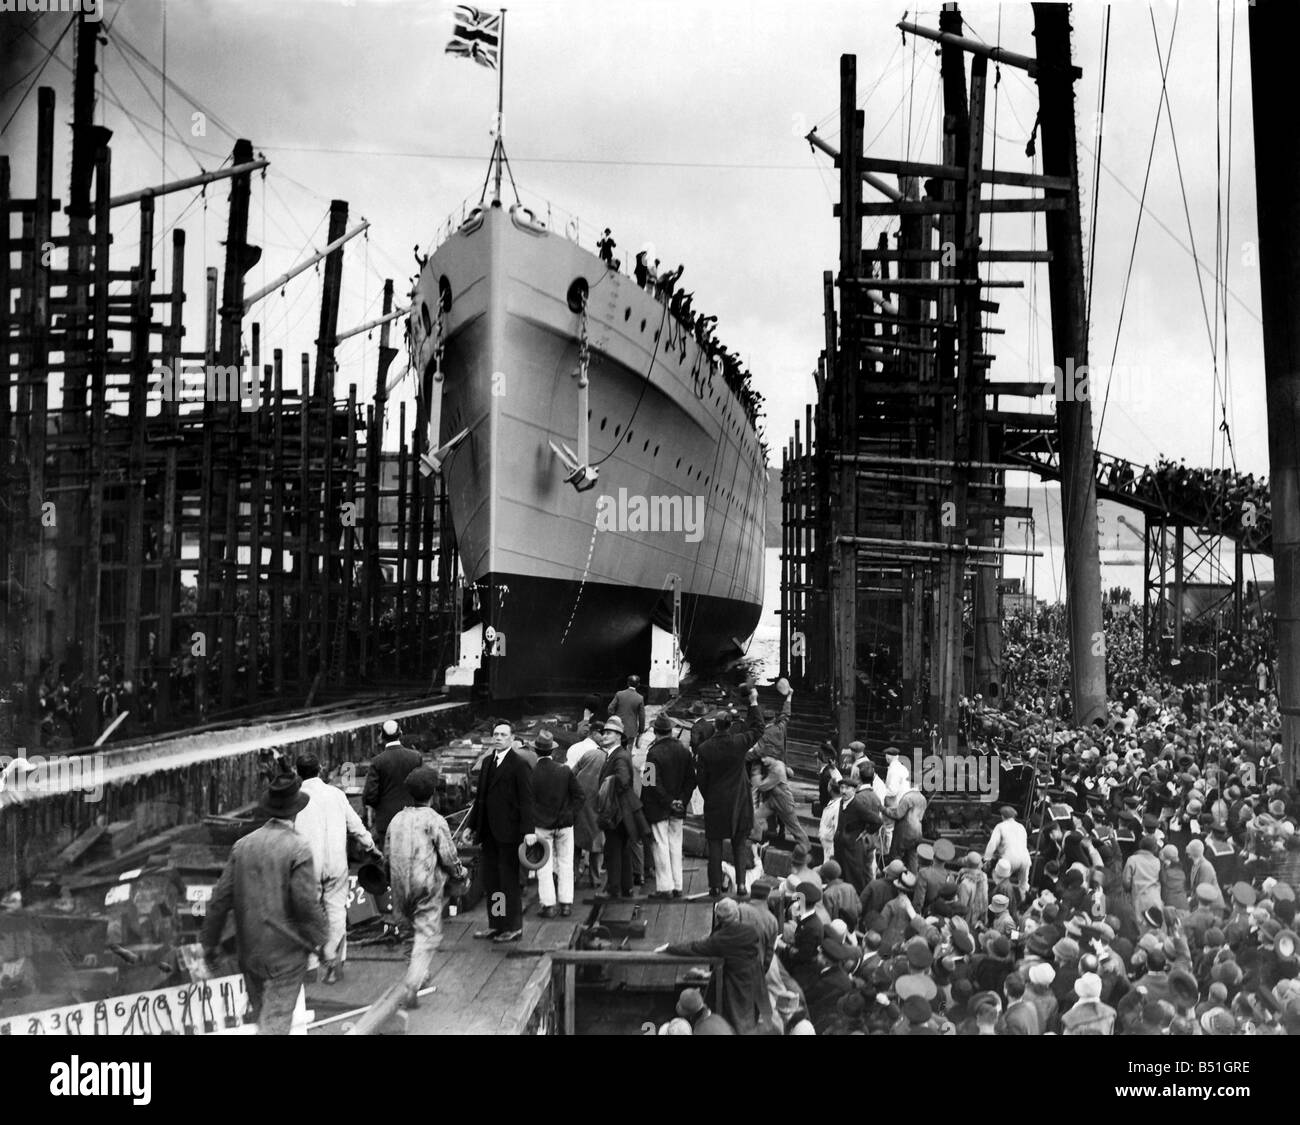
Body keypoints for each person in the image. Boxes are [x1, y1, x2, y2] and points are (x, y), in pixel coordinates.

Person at [202, 774, 328, 1034]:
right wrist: (322, 940)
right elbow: (305, 904)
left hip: (250, 954)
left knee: (264, 1018)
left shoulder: (242, 846)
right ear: (296, 812)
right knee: (275, 1023)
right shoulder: (298, 848)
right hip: (286, 955)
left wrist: (209, 944)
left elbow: (219, 901)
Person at [292, 753, 381, 984]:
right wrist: (370, 846)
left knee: (308, 915)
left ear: (297, 772)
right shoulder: (336, 794)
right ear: (321, 769)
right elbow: (356, 825)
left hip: (307, 865)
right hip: (336, 864)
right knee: (337, 913)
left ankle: (310, 968)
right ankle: (334, 965)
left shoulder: (295, 798)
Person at [385, 765, 468, 1009]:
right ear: (433, 794)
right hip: (426, 885)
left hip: (399, 884)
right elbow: (448, 855)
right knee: (426, 934)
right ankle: (411, 985)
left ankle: (419, 974)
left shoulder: (397, 818)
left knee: (409, 931)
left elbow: (387, 854)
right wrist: (460, 873)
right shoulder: (435, 820)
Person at [465, 720, 537, 943]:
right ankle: (495, 924)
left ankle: (513, 926)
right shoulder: (487, 762)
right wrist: (471, 825)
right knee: (492, 881)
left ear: (512, 739)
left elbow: (527, 800)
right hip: (488, 833)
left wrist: (529, 830)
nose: (498, 738)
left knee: (509, 882)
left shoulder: (519, 764)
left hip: (510, 834)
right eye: (495, 734)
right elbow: (481, 799)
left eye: (503, 735)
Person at [660, 896, 767, 1034]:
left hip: (734, 984)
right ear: (737, 915)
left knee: (735, 1018)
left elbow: (694, 948)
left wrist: (669, 947)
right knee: (748, 1016)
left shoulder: (720, 940)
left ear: (719, 918)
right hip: (753, 980)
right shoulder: (751, 931)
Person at [695, 687, 765, 896]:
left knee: (714, 845)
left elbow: (701, 780)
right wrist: (753, 703)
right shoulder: (739, 743)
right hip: (739, 800)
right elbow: (759, 728)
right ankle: (742, 884)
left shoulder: (704, 749)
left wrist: (710, 796)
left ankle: (715, 886)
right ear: (730, 725)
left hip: (716, 800)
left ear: (715, 725)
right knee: (739, 843)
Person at [530, 729, 585, 918]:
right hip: (564, 825)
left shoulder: (531, 773)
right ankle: (566, 904)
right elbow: (580, 796)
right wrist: (570, 815)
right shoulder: (564, 770)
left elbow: (526, 802)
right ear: (552, 751)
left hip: (541, 826)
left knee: (543, 866)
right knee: (566, 863)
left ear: (536, 751)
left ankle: (548, 905)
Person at [643, 713, 696, 898]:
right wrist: (681, 799)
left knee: (661, 844)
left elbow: (649, 782)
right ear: (671, 731)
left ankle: (664, 887)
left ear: (656, 732)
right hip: (679, 807)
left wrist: (667, 801)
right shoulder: (684, 751)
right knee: (675, 844)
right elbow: (691, 780)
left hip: (659, 808)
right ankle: (678, 885)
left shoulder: (653, 753)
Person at [596, 715, 649, 898]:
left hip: (617, 812)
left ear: (619, 736)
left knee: (613, 850)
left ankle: (613, 889)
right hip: (624, 811)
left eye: (609, 733)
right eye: (604, 733)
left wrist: (606, 789)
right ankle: (626, 888)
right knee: (624, 850)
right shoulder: (619, 754)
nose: (604, 736)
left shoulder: (618, 756)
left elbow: (623, 780)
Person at [362, 719, 422, 849]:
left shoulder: (377, 762)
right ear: (400, 733)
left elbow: (371, 794)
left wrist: (371, 810)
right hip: (412, 818)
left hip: (387, 820)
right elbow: (422, 786)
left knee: (390, 860)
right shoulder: (416, 757)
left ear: (382, 737)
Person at [832, 771, 884, 893]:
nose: (843, 791)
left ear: (854, 790)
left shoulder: (857, 806)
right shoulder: (841, 803)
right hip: (840, 849)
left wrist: (866, 831)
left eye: (847, 788)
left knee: (853, 879)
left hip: (852, 851)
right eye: (842, 787)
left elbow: (877, 821)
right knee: (841, 878)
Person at [984, 805, 1032, 897]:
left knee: (998, 878)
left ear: (1002, 816)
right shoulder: (1021, 827)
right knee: (1023, 885)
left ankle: (1000, 898)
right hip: (1025, 859)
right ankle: (1023, 901)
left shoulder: (1000, 826)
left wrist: (987, 859)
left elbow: (992, 844)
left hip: (1010, 859)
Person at [887, 772, 928, 873]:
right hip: (918, 833)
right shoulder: (923, 799)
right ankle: (911, 882)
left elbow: (898, 814)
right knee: (912, 858)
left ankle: (894, 880)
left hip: (904, 833)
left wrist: (884, 809)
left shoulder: (907, 798)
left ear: (910, 783)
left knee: (896, 857)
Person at [607, 675, 646, 740]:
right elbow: (642, 717)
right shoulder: (640, 698)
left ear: (627, 683)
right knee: (628, 749)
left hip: (618, 727)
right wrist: (641, 731)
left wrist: (614, 718)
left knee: (616, 748)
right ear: (638, 684)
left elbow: (610, 709)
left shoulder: (619, 694)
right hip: (631, 730)